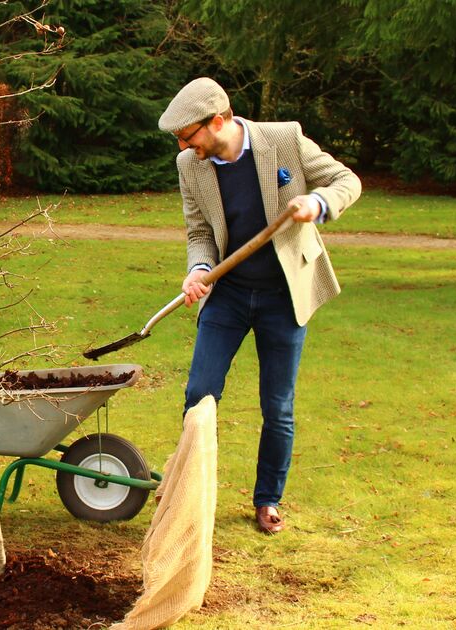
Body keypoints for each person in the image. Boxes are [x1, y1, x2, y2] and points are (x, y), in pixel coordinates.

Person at [159, 77, 361, 534]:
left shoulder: (283, 139)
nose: (186, 147)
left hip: (284, 295)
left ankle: (267, 498)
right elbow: (199, 233)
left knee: (278, 405)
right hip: (228, 294)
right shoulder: (190, 165)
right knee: (199, 395)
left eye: (189, 136)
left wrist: (319, 200)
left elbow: (346, 180)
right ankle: (189, 494)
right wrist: (198, 269)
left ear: (218, 120)